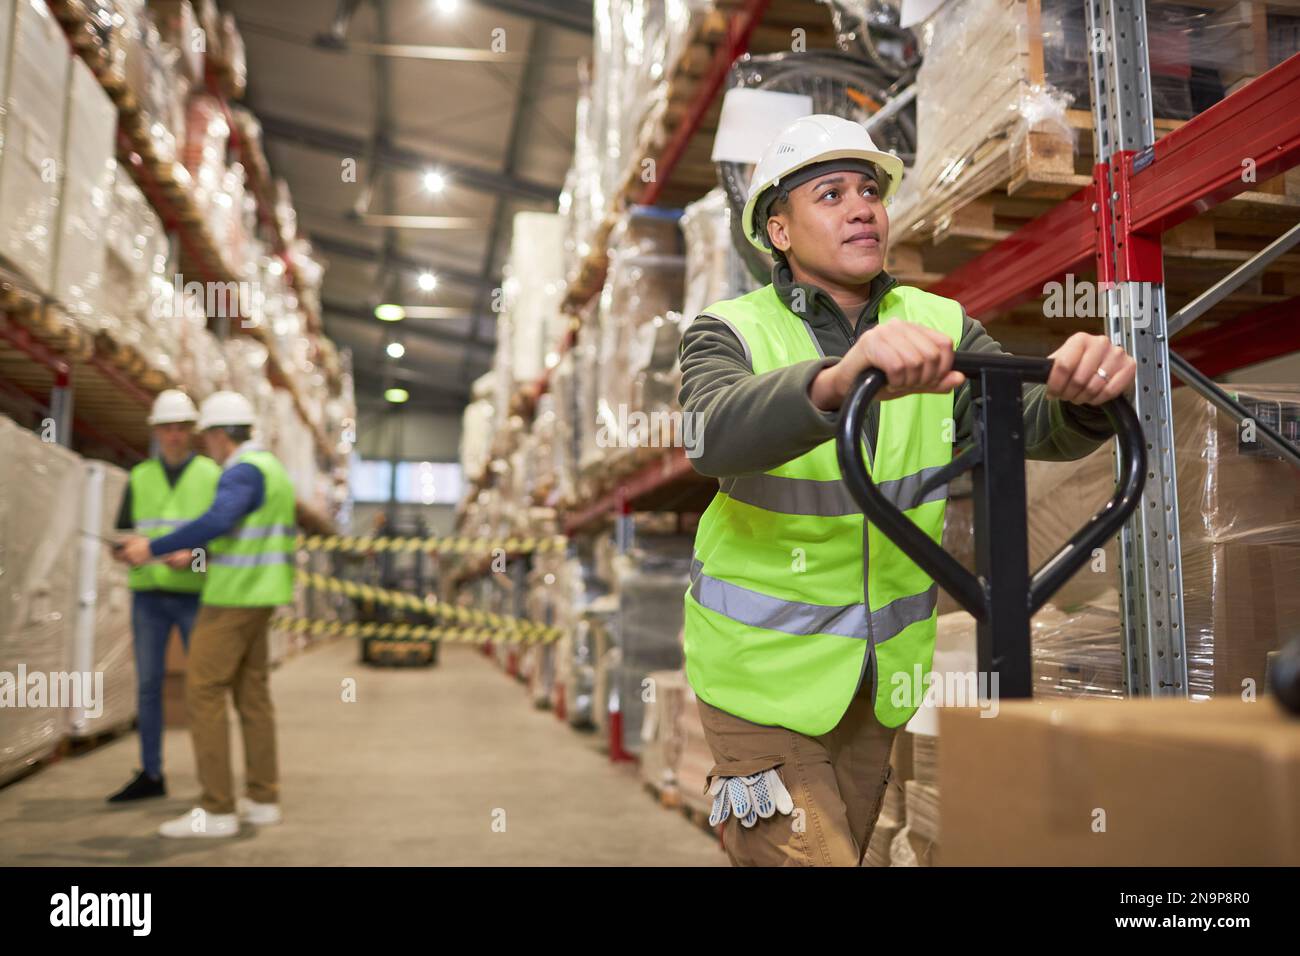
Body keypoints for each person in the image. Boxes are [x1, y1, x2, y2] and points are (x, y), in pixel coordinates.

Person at [678, 114, 1137, 866]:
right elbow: (709, 433)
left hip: (877, 684)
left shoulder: (939, 324)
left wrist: (1079, 394)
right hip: (757, 679)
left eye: (871, 190)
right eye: (831, 194)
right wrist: (837, 381)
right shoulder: (730, 329)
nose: (863, 207)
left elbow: (1020, 423)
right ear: (780, 232)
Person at [119, 391, 297, 839]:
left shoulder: (243, 472)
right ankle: (262, 799)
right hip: (260, 596)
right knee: (252, 695)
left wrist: (154, 547)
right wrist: (190, 549)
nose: (205, 446)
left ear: (219, 436)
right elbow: (231, 530)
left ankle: (216, 808)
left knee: (202, 690)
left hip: (233, 599)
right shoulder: (272, 469)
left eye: (207, 437)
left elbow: (220, 518)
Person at [107, 390, 221, 803]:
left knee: (204, 688)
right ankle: (151, 774)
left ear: (191, 433)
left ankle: (213, 778)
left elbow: (223, 547)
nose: (173, 436)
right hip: (148, 597)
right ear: (156, 431)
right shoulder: (139, 477)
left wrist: (190, 560)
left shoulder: (212, 475)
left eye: (180, 429)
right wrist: (124, 552)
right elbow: (121, 536)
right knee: (149, 686)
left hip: (194, 596)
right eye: (166, 429)